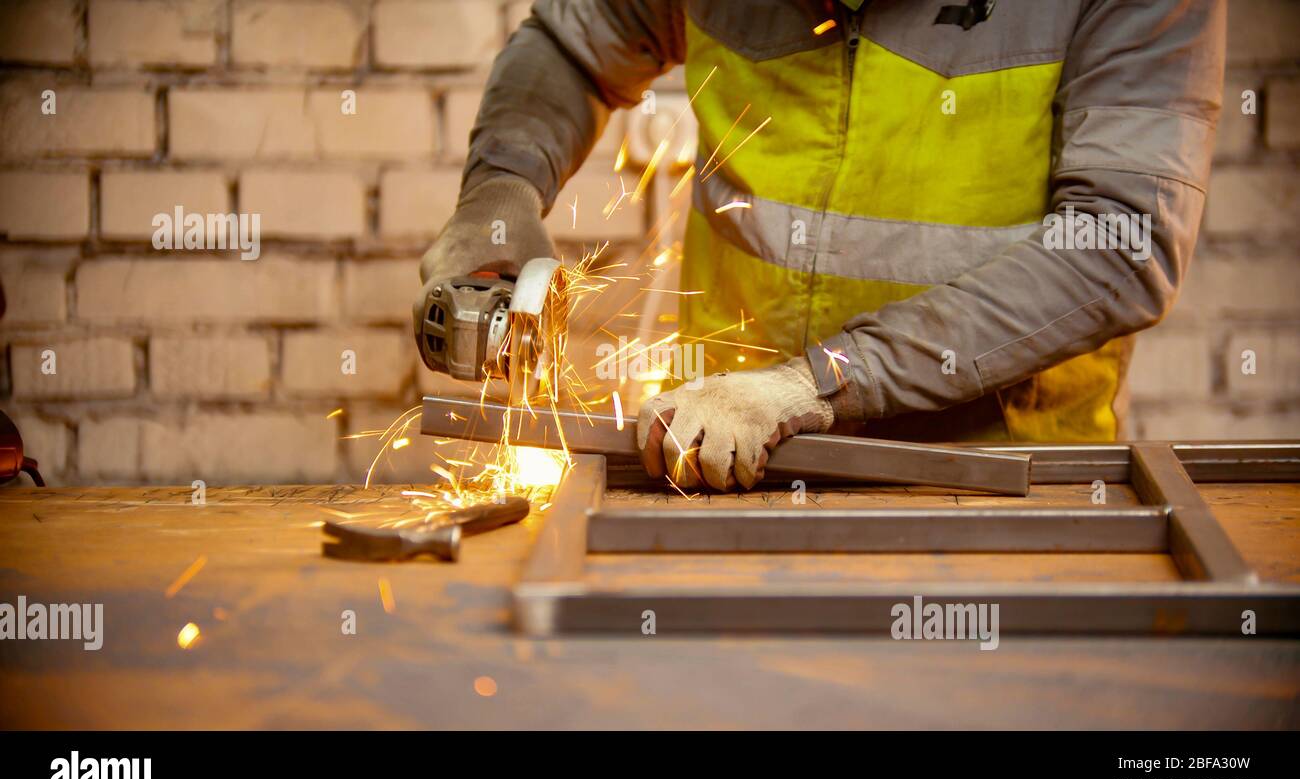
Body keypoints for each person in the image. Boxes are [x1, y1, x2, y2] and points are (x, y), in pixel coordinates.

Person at [414, 0, 1226, 491]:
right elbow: (574, 47)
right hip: (720, 465)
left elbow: (1120, 245)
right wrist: (501, 189)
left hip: (998, 487)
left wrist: (816, 382)